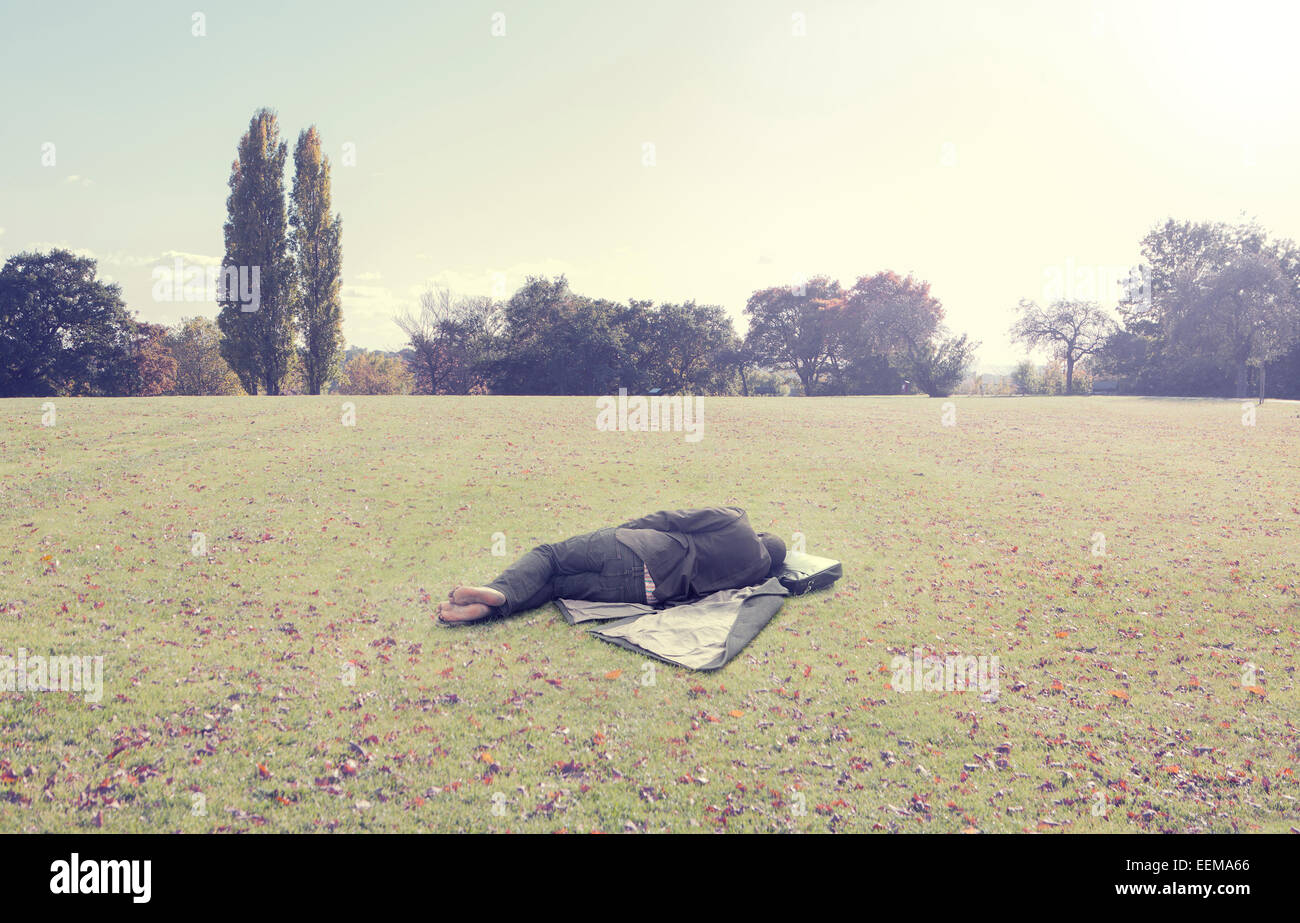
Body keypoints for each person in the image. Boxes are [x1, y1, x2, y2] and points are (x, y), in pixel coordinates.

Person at [437, 507, 786, 625]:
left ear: (762, 534)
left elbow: (672, 518)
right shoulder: (753, 575)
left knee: (551, 557)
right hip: (647, 592)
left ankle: (498, 592)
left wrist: (628, 527)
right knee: (555, 587)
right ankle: (484, 610)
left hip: (638, 549)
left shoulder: (739, 521)